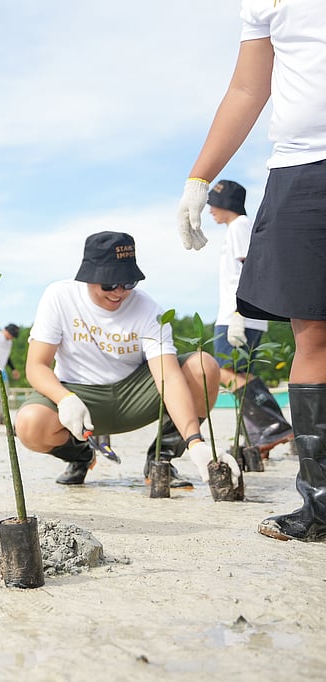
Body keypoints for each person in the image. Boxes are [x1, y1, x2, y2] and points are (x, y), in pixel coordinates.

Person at [175, 1, 326, 542]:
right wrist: (199, 176)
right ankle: (321, 505)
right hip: (300, 168)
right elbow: (247, 89)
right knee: (315, 337)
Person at [14, 232, 239, 489]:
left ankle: (161, 459)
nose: (119, 292)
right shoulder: (59, 296)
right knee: (30, 424)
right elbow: (36, 365)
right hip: (81, 399)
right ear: (88, 276)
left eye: (128, 282)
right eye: (109, 284)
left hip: (135, 396)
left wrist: (195, 442)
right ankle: (81, 455)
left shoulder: (149, 310)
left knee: (204, 366)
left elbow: (169, 376)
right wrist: (64, 398)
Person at [207, 179, 292, 454]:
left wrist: (238, 313)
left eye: (213, 204)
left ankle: (273, 426)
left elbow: (249, 269)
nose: (210, 210)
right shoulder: (237, 227)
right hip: (238, 313)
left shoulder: (240, 225)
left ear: (225, 204)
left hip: (237, 315)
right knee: (241, 373)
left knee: (225, 372)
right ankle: (262, 435)